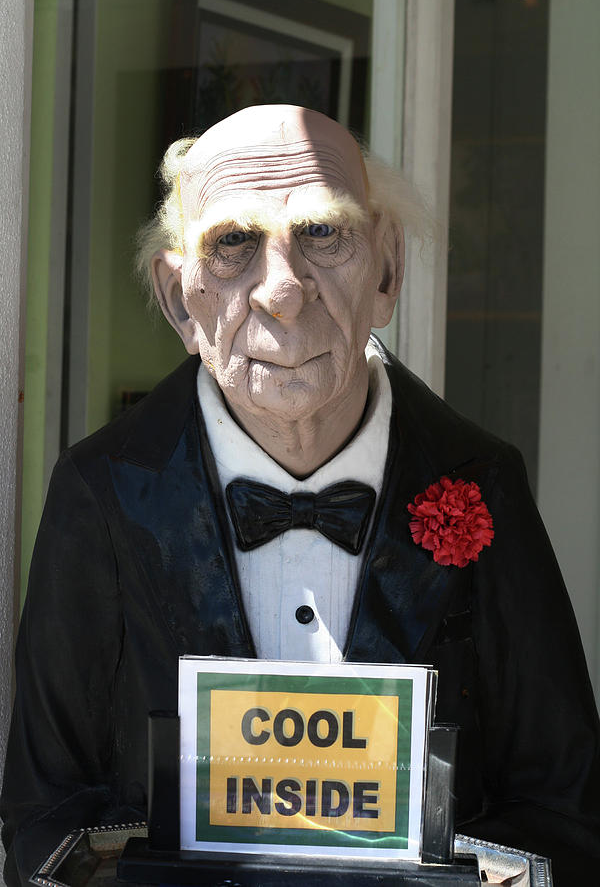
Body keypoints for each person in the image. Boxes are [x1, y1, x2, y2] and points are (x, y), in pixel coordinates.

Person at [2, 105, 599, 886]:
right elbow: (45, 815)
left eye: (322, 233)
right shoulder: (102, 494)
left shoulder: (484, 480)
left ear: (386, 270)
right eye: (233, 245)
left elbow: (566, 810)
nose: (282, 290)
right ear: (181, 300)